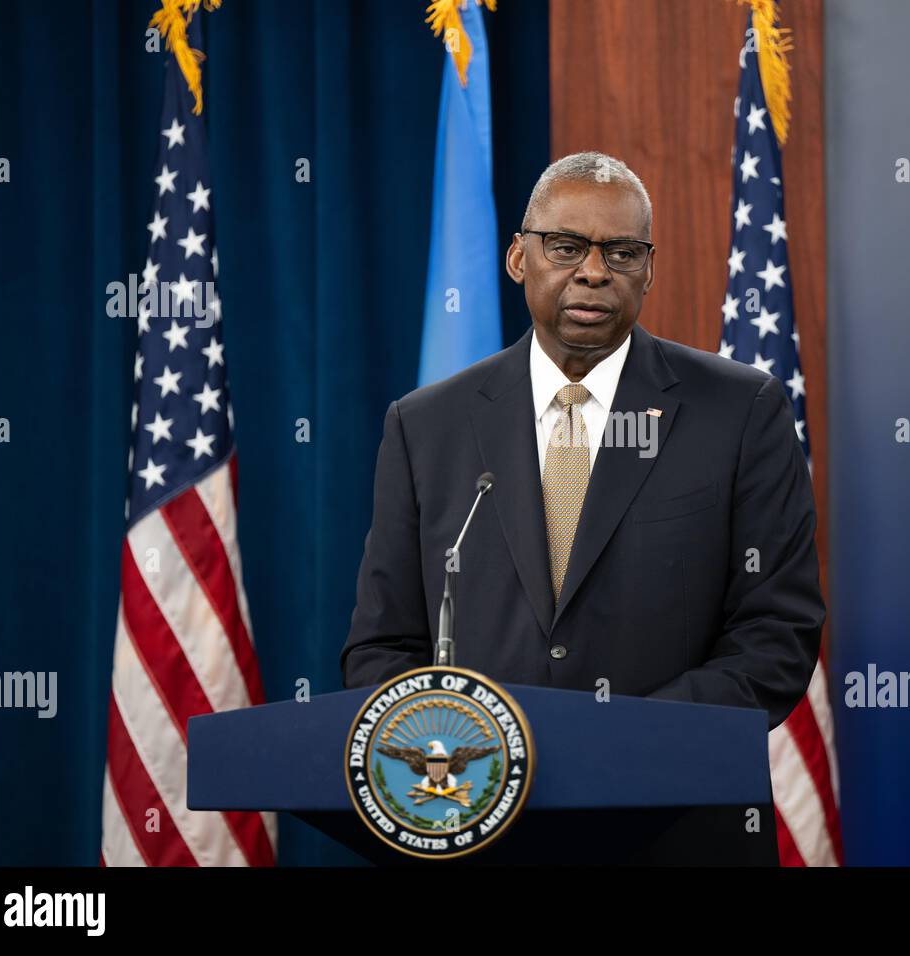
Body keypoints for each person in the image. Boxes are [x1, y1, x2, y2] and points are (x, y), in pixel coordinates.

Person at [341, 151, 824, 729]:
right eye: (566, 247)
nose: (594, 272)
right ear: (520, 258)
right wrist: (465, 749)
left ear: (648, 271)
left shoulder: (741, 412)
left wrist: (618, 743)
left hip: (668, 799)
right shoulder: (425, 426)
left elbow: (776, 634)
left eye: (621, 253)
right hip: (485, 801)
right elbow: (382, 646)